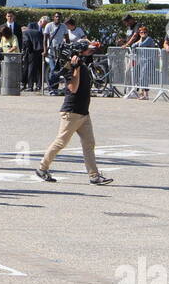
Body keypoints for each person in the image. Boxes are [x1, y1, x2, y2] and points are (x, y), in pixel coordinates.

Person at [35, 38, 114, 186]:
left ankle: (94, 176)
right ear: (78, 53)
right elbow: (73, 88)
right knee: (60, 142)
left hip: (83, 113)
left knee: (89, 143)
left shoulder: (82, 64)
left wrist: (91, 45)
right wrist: (75, 67)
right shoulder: (71, 66)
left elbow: (91, 49)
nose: (90, 52)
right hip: (71, 112)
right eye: (87, 50)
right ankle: (42, 168)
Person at [21, 21, 44, 91]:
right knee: (39, 68)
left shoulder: (25, 32)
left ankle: (30, 86)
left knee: (30, 68)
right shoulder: (39, 32)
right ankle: (39, 85)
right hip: (40, 51)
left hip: (32, 51)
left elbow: (27, 42)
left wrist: (28, 51)